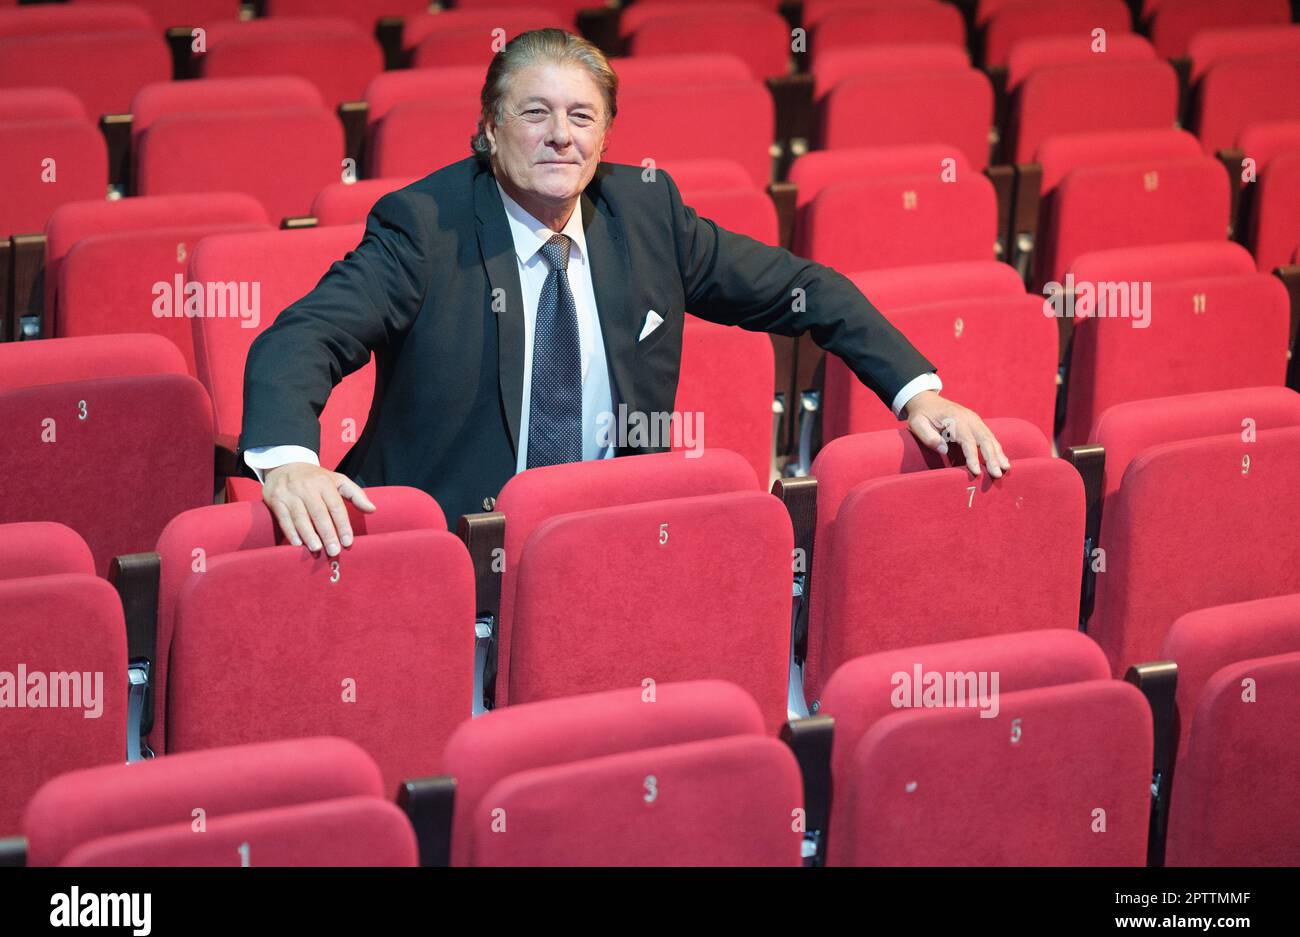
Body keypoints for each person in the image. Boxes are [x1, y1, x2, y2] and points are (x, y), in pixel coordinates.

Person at [239, 28, 1010, 558]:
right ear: (487, 130)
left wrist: (920, 395)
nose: (560, 136)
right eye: (534, 112)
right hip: (449, 544)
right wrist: (290, 462)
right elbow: (301, 338)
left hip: (612, 537)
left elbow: (805, 290)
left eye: (582, 116)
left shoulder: (646, 214)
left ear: (606, 138)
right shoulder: (425, 227)